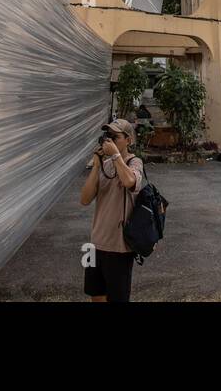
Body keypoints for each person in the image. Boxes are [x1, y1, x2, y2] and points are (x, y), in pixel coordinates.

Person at [79, 117, 145, 302]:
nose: (109, 141)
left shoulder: (135, 163)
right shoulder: (105, 165)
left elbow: (130, 182)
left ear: (128, 140)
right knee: (96, 295)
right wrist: (96, 166)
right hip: (95, 243)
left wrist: (116, 156)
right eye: (107, 136)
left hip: (119, 247)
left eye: (115, 137)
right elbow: (84, 199)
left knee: (117, 298)